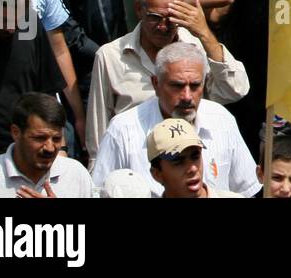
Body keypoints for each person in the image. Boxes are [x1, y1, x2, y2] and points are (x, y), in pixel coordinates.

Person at [87, 0, 249, 161]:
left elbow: (235, 89)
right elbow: (98, 134)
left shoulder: (196, 48)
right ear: (139, 10)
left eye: (172, 18)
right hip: (135, 166)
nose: (163, 26)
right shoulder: (111, 56)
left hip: (190, 163)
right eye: (155, 17)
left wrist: (205, 34)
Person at [90, 42, 261, 196]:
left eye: (195, 86)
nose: (187, 96)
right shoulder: (123, 130)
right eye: (177, 86)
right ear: (156, 84)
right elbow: (99, 192)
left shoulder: (222, 120)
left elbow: (246, 189)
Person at [0, 92, 96, 198]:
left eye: (57, 139)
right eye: (40, 138)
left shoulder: (76, 175)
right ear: (16, 132)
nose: (50, 148)